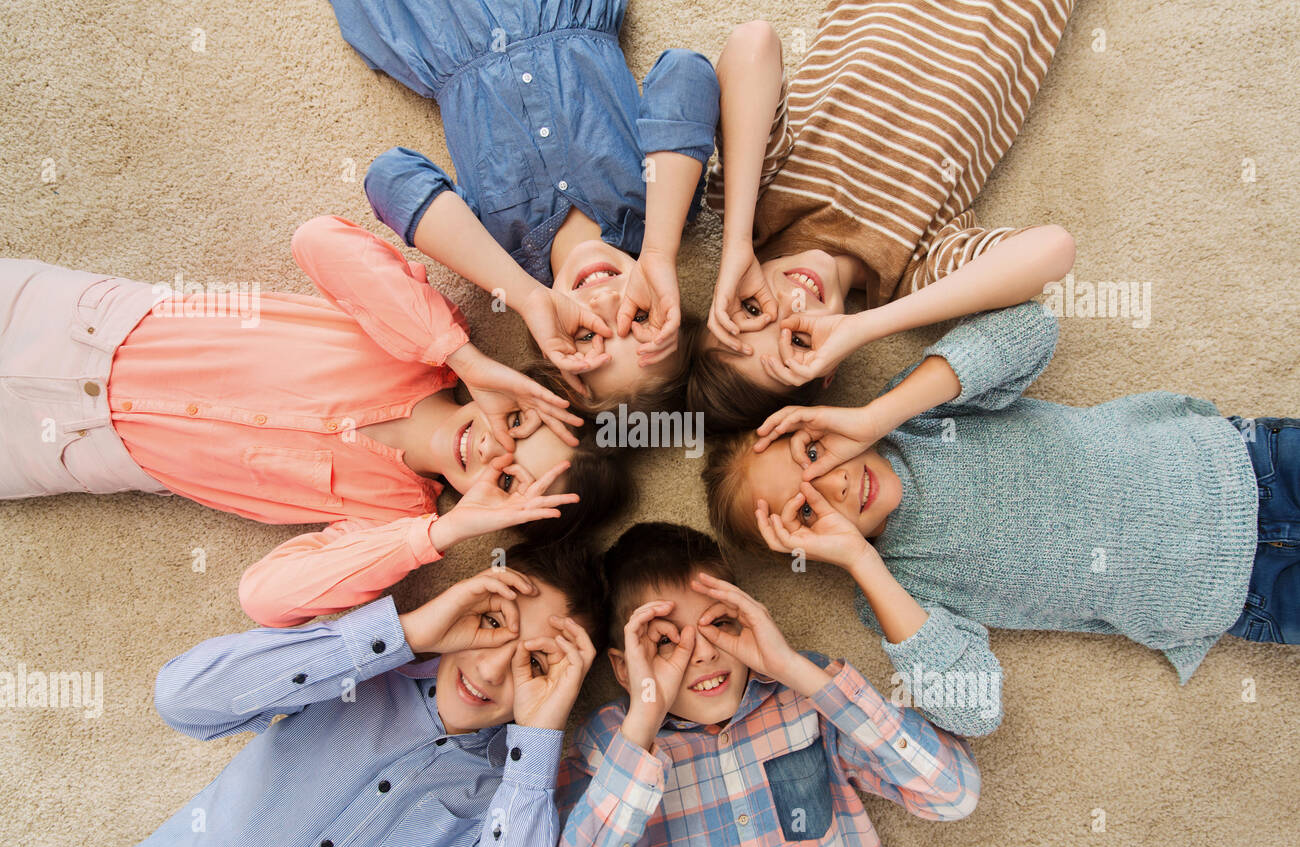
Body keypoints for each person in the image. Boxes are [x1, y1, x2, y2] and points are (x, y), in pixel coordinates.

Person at [0, 216, 627, 628]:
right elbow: (317, 241)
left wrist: (440, 536)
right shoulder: (414, 344)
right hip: (77, 324)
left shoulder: (392, 520)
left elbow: (266, 598)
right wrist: (463, 355)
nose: (494, 453)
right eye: (517, 427)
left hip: (62, 450)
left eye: (510, 483)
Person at [703, 300, 1294, 737]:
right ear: (807, 548)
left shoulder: (916, 415)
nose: (833, 484)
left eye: (811, 453)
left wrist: (878, 415)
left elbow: (1032, 328)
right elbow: (977, 709)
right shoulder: (896, 595)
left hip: (1238, 462)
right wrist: (861, 561)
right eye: (806, 511)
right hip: (1240, 595)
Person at [692, 3, 1076, 431]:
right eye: (800, 337)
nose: (791, 304)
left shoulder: (757, 201)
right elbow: (1054, 249)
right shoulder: (912, 276)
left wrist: (736, 244)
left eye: (752, 307)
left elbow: (754, 42)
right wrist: (864, 327)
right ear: (830, 364)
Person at [329, 0, 720, 411]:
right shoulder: (661, 207)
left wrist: (527, 296)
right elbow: (685, 72)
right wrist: (659, 251)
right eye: (637, 317)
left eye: (588, 333)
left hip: (444, 27)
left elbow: (391, 177)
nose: (605, 302)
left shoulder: (498, 257)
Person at [117, 539, 603, 847]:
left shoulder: (514, 797)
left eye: (535, 665)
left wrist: (537, 742)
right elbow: (182, 698)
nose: (492, 670)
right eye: (494, 625)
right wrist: (406, 633)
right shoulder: (355, 672)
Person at [554, 522, 979, 847]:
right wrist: (643, 723)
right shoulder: (607, 743)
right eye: (666, 641)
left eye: (718, 623)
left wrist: (795, 669)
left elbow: (953, 794)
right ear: (625, 669)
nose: (703, 653)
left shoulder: (801, 697)